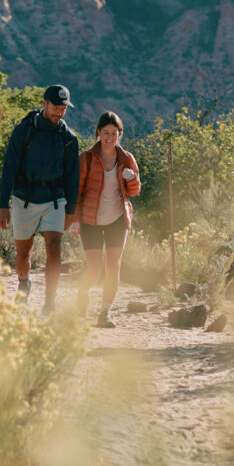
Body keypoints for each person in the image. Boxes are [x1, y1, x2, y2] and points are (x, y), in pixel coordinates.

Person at [0, 85, 80, 314]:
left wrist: (71, 211)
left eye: (64, 109)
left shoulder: (68, 138)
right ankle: (24, 283)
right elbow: (9, 168)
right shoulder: (24, 130)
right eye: (56, 107)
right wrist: (3, 205)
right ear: (44, 103)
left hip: (55, 201)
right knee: (23, 254)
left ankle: (50, 301)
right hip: (24, 199)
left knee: (54, 248)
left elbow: (73, 178)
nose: (60, 113)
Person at [68, 110, 141, 327]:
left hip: (118, 219)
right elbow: (76, 190)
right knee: (94, 268)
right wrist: (74, 219)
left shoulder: (126, 158)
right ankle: (83, 293)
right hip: (90, 219)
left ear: (120, 134)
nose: (110, 137)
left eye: (114, 133)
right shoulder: (86, 158)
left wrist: (132, 178)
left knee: (113, 267)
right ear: (98, 132)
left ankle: (104, 313)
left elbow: (135, 191)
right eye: (106, 132)